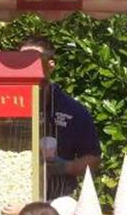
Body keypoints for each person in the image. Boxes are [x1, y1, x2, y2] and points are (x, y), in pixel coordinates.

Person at [20, 35, 100, 200]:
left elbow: (93, 160)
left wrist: (65, 167)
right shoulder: (10, 106)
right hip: (16, 196)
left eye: (34, 61)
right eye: (21, 62)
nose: (27, 67)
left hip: (59, 201)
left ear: (50, 65)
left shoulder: (74, 111)